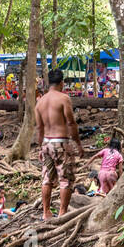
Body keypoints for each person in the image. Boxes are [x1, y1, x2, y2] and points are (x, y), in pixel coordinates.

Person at [34, 68, 83, 219]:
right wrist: (78, 144)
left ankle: (46, 212)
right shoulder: (63, 98)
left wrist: (40, 148)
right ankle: (62, 213)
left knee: (47, 179)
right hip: (61, 143)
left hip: (46, 143)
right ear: (62, 83)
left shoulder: (40, 102)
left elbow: (40, 129)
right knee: (65, 180)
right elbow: (71, 122)